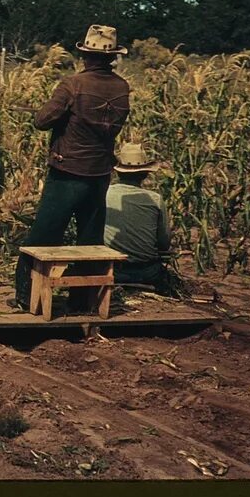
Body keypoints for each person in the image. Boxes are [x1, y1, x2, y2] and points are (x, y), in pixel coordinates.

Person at [14, 25, 131, 310]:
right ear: (111, 57)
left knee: (43, 236)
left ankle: (27, 298)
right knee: (90, 239)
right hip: (100, 173)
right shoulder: (122, 87)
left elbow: (42, 121)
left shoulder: (72, 85)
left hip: (67, 173)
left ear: (85, 55)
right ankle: (84, 302)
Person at [104, 142, 172, 294]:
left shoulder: (104, 194)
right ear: (145, 173)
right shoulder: (155, 199)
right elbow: (164, 242)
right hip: (147, 273)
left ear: (117, 171)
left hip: (111, 270)